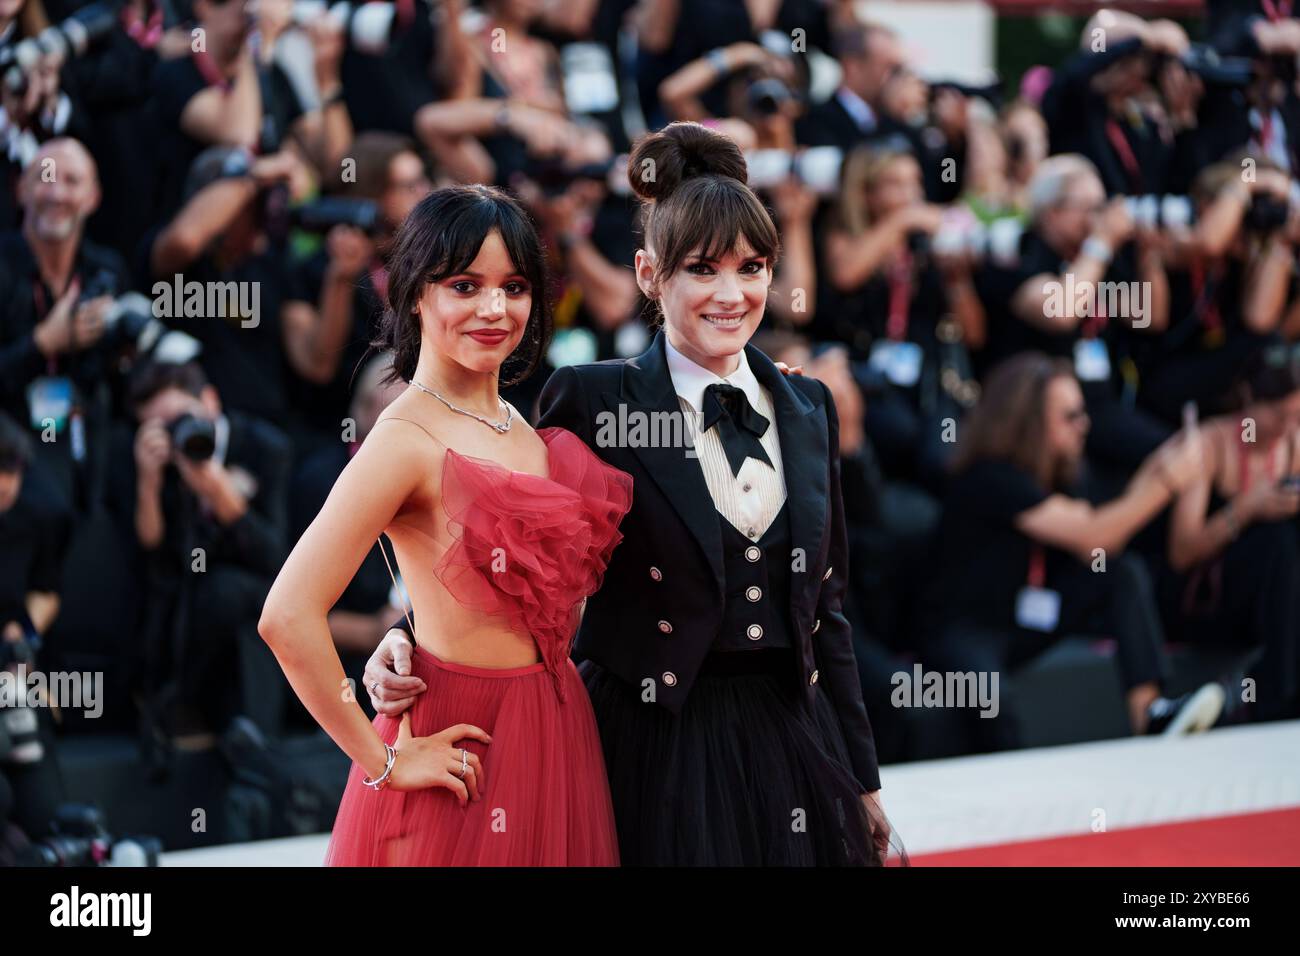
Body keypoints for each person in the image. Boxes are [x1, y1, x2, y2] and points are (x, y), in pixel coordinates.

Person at [372, 121, 902, 866]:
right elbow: (504, 546)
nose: (731, 294)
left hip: (792, 742)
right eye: (702, 269)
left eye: (752, 268)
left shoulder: (809, 407)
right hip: (653, 740)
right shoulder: (593, 400)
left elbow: (828, 612)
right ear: (651, 274)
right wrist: (403, 637)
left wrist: (863, 780)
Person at [259, 184, 630, 866]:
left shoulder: (522, 424)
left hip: (558, 729)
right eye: (466, 284)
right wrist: (382, 761)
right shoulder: (404, 436)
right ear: (415, 294)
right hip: (463, 748)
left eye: (514, 286)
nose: (495, 308)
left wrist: (402, 639)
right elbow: (287, 616)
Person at [924, 352, 1225, 754]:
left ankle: (1151, 713)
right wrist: (1168, 480)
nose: (1084, 426)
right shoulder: (990, 477)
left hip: (1026, 619)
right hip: (967, 628)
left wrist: (1160, 467)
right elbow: (1094, 534)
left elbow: (1106, 537)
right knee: (989, 695)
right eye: (1070, 416)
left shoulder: (1061, 475)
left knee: (1121, 574)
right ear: (1029, 422)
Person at [1163, 342, 1300, 723]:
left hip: (1270, 599)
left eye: (1297, 417)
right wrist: (1244, 509)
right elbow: (1182, 553)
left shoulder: (1292, 442)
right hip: (1206, 598)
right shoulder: (1211, 443)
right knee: (1278, 543)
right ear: (1248, 399)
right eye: (1278, 415)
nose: (1287, 427)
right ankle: (1276, 698)